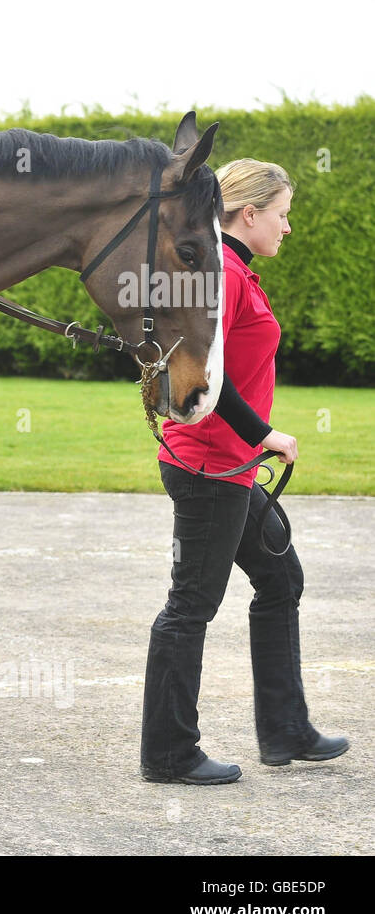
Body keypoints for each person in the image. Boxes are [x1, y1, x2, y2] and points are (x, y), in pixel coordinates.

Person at [139, 158, 348, 784]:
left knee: (281, 579)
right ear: (249, 214)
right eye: (281, 215)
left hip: (227, 466)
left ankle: (286, 730)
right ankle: (169, 754)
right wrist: (265, 434)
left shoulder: (232, 270)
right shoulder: (221, 274)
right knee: (190, 606)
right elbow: (203, 374)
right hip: (207, 467)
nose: (287, 228)